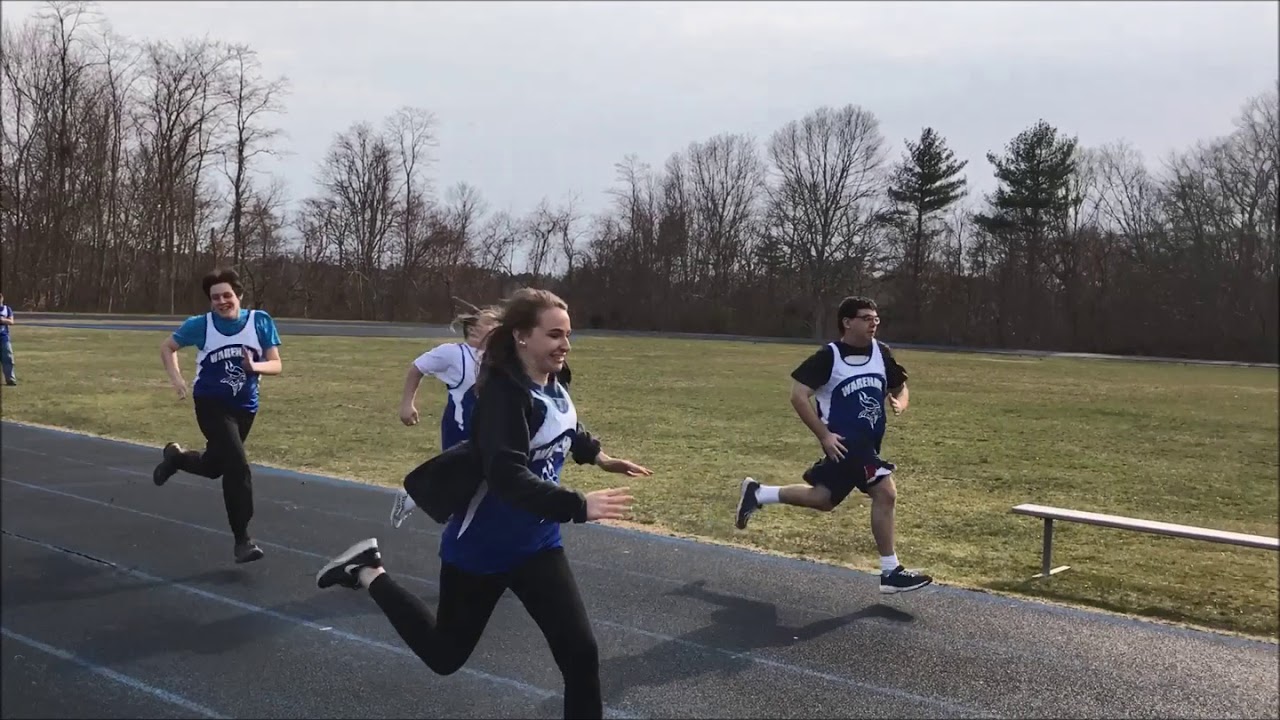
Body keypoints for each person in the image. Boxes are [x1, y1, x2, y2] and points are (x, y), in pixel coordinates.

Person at [316, 287, 651, 720]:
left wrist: (600, 457)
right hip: (482, 549)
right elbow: (508, 477)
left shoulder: (554, 379)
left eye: (568, 335)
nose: (564, 344)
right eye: (554, 335)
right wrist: (578, 505)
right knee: (444, 655)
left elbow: (565, 425)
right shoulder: (501, 397)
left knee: (581, 655)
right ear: (522, 337)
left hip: (537, 545)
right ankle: (366, 570)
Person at [734, 295, 932, 594]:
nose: (873, 324)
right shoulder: (830, 357)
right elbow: (798, 395)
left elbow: (900, 386)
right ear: (847, 322)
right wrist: (823, 436)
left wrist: (900, 402)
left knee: (823, 499)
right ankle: (890, 572)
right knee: (886, 492)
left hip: (867, 445)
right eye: (866, 318)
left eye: (876, 319)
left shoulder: (881, 353)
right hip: (846, 444)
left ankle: (760, 493)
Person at [151, 269, 283, 564]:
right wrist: (176, 379)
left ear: (239, 296)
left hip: (246, 407)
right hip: (210, 404)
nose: (222, 301)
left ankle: (177, 458)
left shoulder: (259, 321)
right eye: (215, 298)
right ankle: (243, 540)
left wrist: (256, 368)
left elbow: (276, 364)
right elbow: (167, 347)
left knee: (215, 467)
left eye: (227, 295)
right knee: (238, 465)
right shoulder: (200, 325)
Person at [389, 306, 501, 528]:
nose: (499, 328)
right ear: (473, 330)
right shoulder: (453, 354)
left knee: (482, 493)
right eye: (492, 324)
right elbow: (417, 368)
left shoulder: (498, 359)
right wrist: (407, 404)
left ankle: (413, 497)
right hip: (460, 432)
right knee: (466, 495)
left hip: (490, 433)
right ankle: (415, 497)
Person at [0, 291, 15, 386]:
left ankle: (10, 379)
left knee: (8, 358)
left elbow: (11, 321)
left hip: (4, 337)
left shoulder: (7, 309)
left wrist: (2, 320)